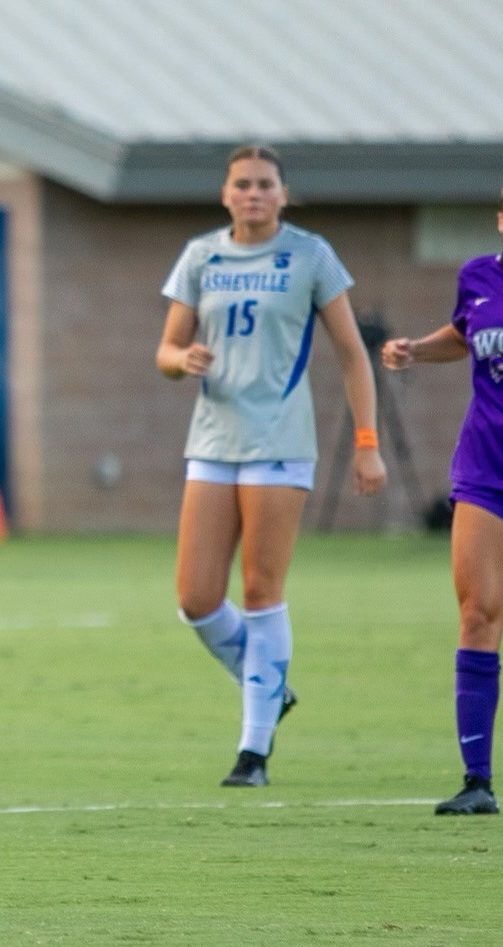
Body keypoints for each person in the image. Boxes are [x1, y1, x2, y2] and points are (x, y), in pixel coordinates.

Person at [156, 144, 388, 788]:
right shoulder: (201, 256)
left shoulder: (311, 255)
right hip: (212, 442)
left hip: (280, 441)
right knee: (196, 598)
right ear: (225, 195)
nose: (253, 194)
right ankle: (270, 687)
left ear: (284, 194)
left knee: (261, 590)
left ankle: (253, 752)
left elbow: (352, 355)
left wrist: (367, 441)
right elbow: (166, 350)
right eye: (243, 185)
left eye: (265, 184)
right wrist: (182, 361)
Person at [381, 168, 503, 816]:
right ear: (499, 221)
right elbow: (464, 331)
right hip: (487, 472)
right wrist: (418, 350)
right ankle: (477, 781)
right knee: (478, 613)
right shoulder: (478, 277)